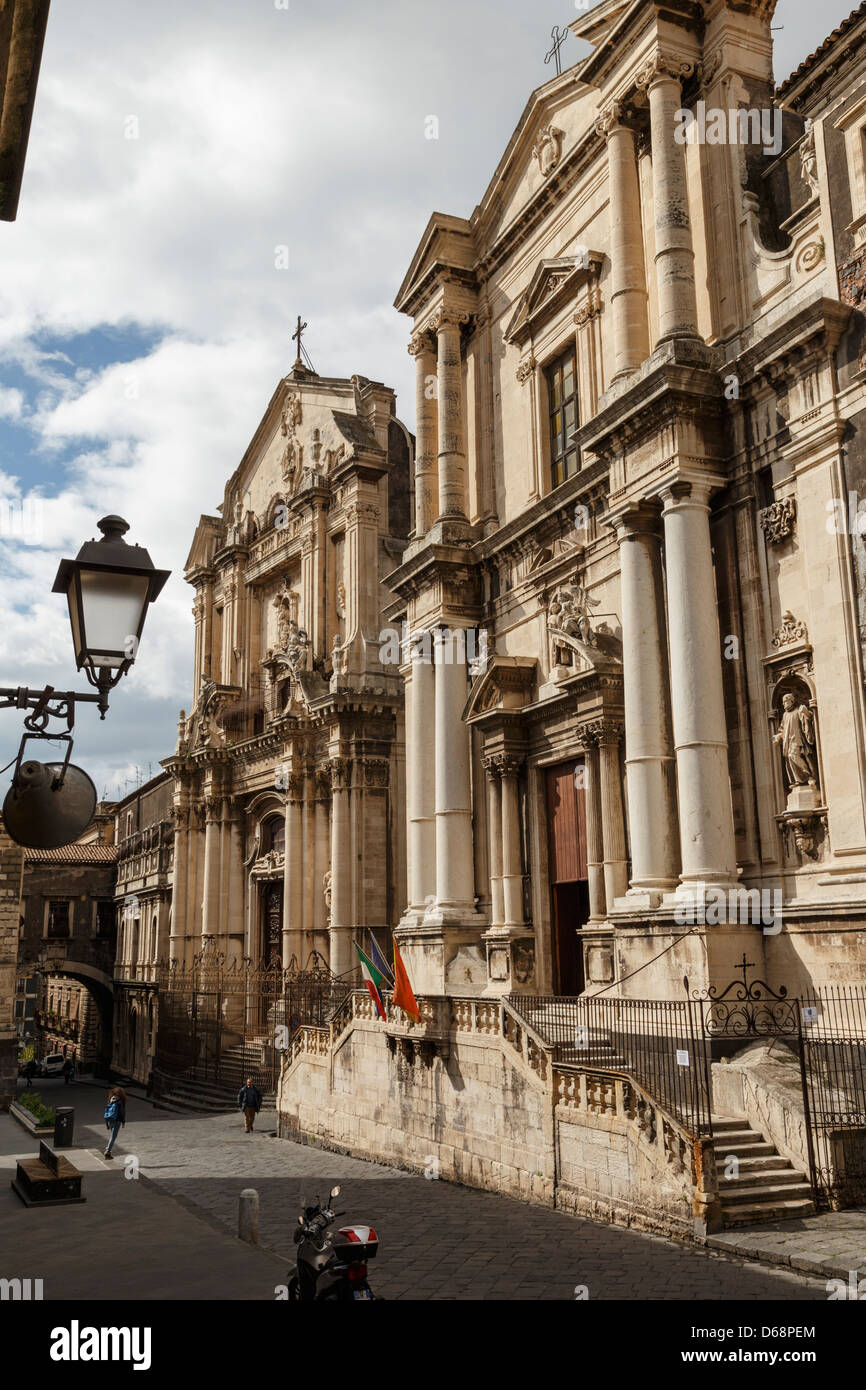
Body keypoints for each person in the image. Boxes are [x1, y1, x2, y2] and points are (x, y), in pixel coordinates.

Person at [103, 1085, 127, 1159]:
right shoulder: (120, 1102)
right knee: (113, 1137)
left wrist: (106, 1123)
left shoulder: (111, 1100)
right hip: (117, 1121)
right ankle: (108, 1151)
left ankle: (108, 1151)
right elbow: (122, 1113)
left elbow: (106, 1111)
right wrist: (123, 1122)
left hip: (110, 1120)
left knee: (112, 1136)